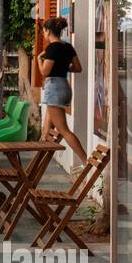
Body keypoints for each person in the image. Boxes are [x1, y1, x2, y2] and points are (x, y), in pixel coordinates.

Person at [36, 16, 88, 169]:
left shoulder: (52, 48)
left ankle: (86, 161)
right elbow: (78, 68)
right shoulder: (67, 46)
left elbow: (45, 72)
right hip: (64, 86)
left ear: (48, 31)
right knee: (46, 130)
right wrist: (64, 67)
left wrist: (39, 59)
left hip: (54, 87)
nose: (43, 34)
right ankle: (39, 163)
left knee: (63, 130)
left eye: (44, 31)